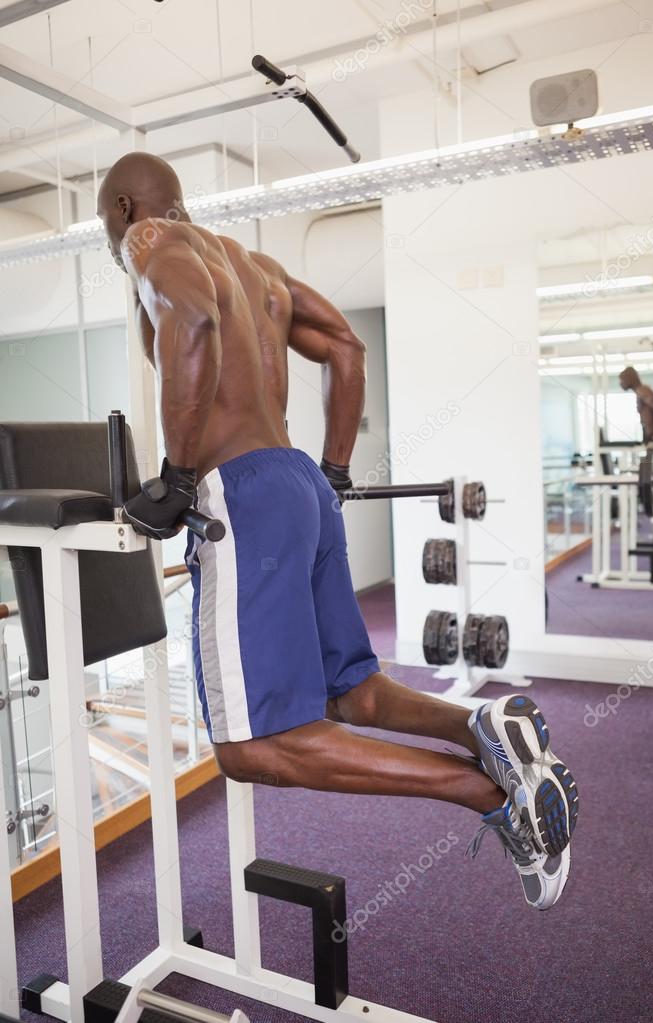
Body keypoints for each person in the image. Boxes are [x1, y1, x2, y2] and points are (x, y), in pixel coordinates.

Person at [97, 153, 578, 910]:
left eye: (106, 225)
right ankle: (482, 722)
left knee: (250, 746)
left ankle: (485, 791)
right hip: (301, 483)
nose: (114, 242)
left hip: (241, 495)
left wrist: (178, 477)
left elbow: (189, 320)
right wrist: (335, 469)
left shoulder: (150, 240)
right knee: (353, 693)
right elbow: (347, 349)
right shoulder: (258, 269)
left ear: (125, 207)